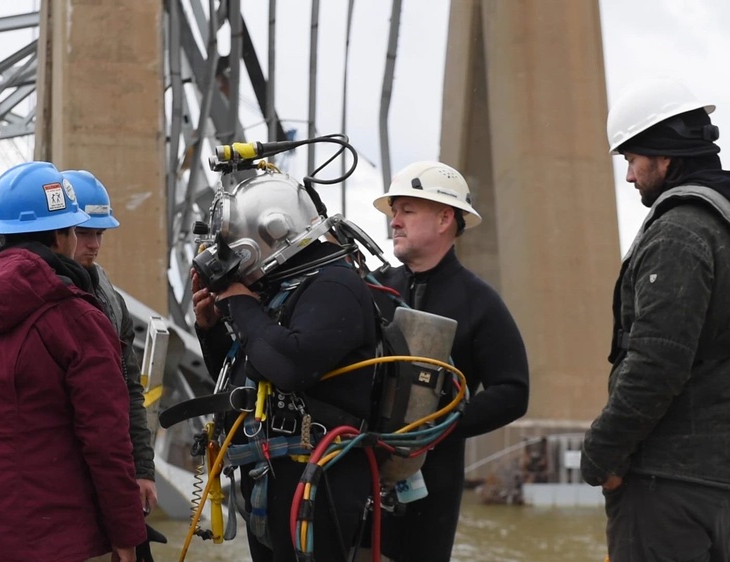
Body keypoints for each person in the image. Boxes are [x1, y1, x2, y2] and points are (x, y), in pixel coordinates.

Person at [581, 77, 730, 562]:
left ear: (664, 158)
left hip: (664, 487)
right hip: (723, 484)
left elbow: (655, 364)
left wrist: (598, 456)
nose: (629, 177)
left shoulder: (679, 233)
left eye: (631, 160)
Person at [0, 161, 147, 562]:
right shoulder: (79, 321)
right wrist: (127, 539)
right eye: (76, 229)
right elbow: (106, 441)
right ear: (62, 235)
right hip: (55, 542)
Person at [190, 171, 378, 562]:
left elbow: (291, 366)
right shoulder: (282, 288)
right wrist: (211, 330)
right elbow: (250, 377)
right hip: (274, 475)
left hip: (319, 480)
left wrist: (240, 304)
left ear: (272, 231)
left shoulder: (333, 285)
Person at [370, 161, 530, 562]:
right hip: (360, 474)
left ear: (445, 218)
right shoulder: (373, 289)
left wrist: (439, 427)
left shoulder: (480, 302)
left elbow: (513, 391)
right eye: (394, 211)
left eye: (407, 210)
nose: (395, 221)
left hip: (431, 487)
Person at [62, 169, 158, 514]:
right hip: (58, 471)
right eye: (84, 232)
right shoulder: (35, 298)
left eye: (99, 233)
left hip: (105, 467)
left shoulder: (110, 299)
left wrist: (143, 471)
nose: (94, 245)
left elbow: (130, 388)